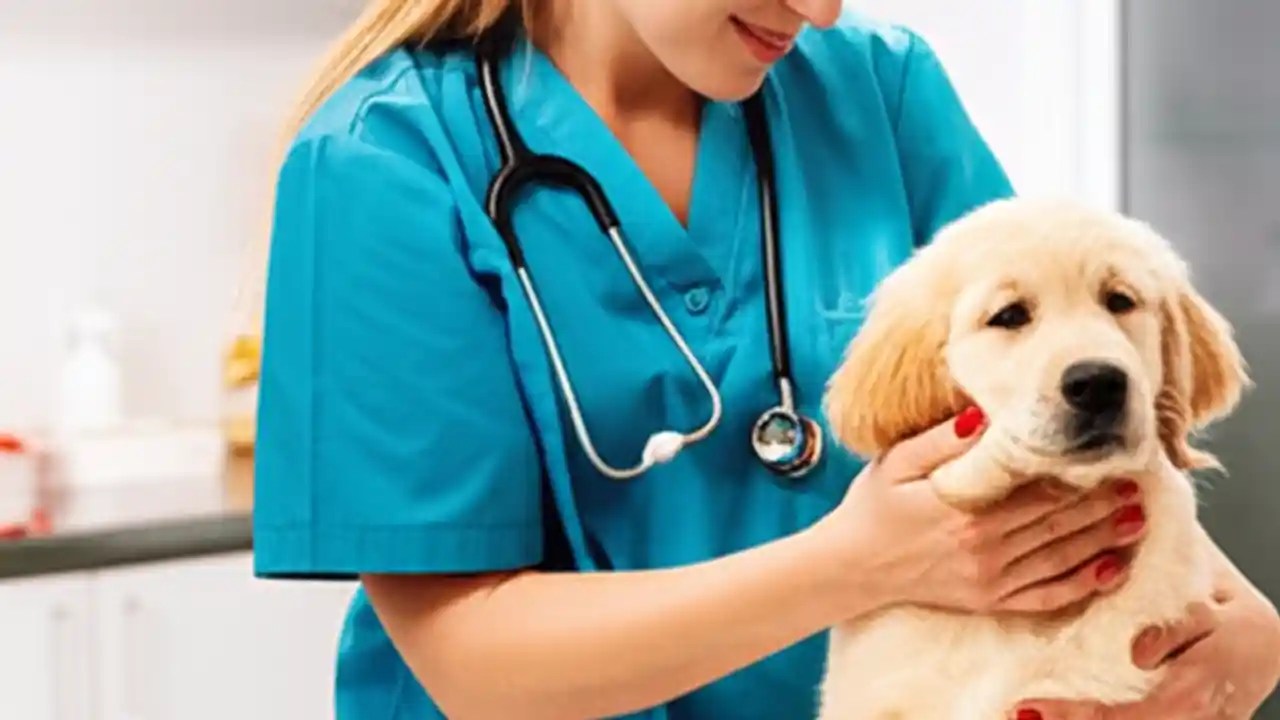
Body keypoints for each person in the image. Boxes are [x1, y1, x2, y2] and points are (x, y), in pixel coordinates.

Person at [248, 1, 1280, 718]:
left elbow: (1047, 415)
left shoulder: (878, 88)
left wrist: (1239, 635)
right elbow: (471, 662)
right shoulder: (381, 163)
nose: (820, 10)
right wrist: (855, 564)